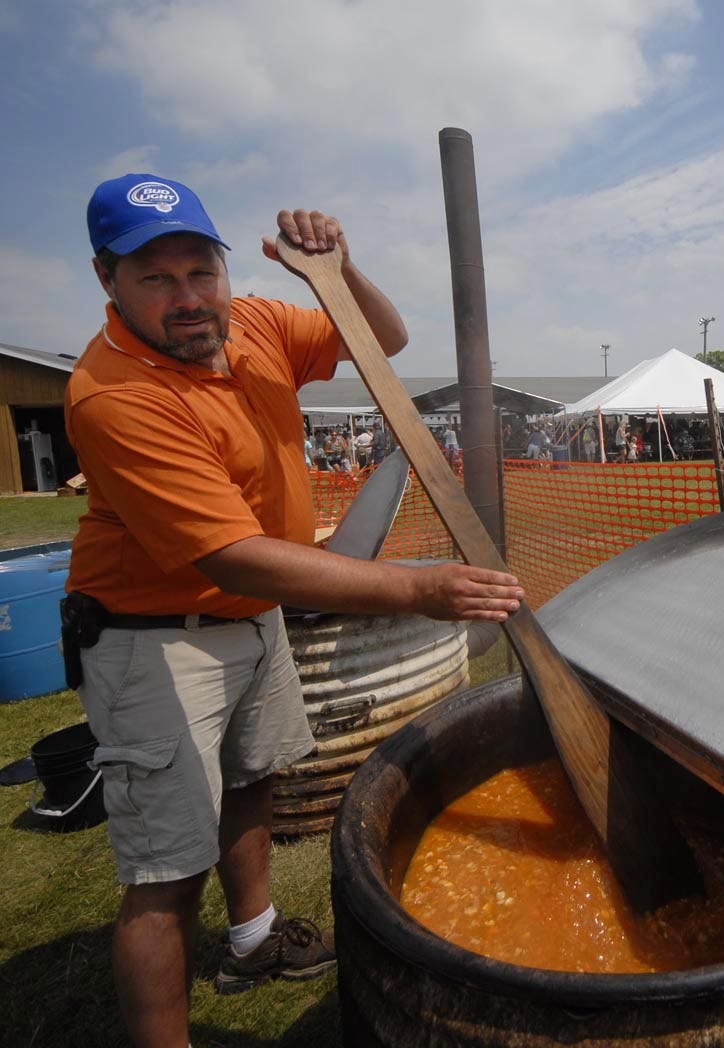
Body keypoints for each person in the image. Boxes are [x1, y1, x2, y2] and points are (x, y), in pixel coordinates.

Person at [64, 173, 524, 1048]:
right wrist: (418, 587)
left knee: (253, 785)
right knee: (165, 874)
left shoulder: (260, 324)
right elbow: (228, 553)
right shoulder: (115, 395)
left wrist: (339, 274)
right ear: (106, 280)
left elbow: (381, 337)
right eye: (155, 279)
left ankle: (253, 939)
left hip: (249, 617)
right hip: (155, 640)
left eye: (201, 271)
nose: (188, 299)